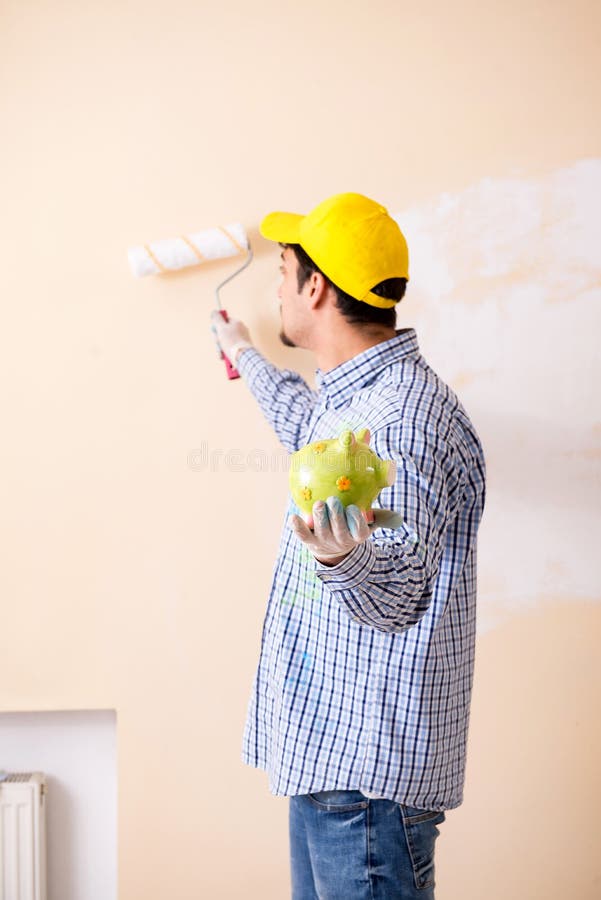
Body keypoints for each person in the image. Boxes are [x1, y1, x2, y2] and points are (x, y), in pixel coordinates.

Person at [210, 192, 486, 900]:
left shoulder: (398, 422)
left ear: (315, 287)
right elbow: (308, 426)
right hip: (334, 767)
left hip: (366, 789)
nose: (275, 287)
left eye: (282, 270)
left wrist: (343, 556)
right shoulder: (358, 400)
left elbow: (400, 592)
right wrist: (243, 353)